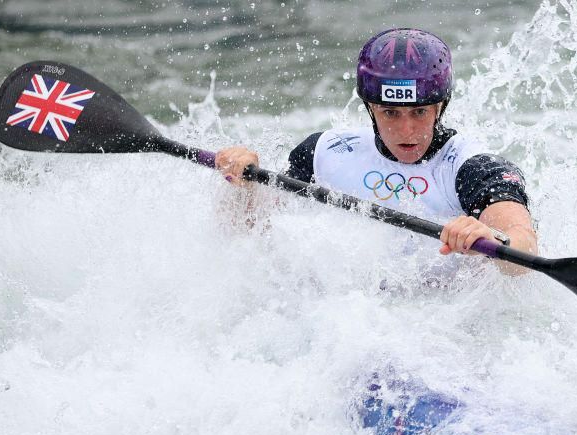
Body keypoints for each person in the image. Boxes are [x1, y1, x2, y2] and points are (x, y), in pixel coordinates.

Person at [214, 28, 538, 272]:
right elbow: (250, 233)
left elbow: (524, 250)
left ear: (440, 106)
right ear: (370, 107)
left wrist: (494, 240)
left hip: (447, 334)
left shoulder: (473, 168)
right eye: (390, 112)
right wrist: (243, 187)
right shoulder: (323, 152)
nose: (406, 130)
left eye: (419, 112)